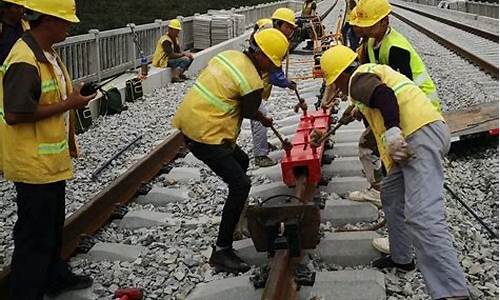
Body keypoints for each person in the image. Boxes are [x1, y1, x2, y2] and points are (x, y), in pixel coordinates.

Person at [320, 45, 470, 300]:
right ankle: (402, 258)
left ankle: (453, 293)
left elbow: (385, 96)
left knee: (422, 216)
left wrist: (392, 132)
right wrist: (354, 111)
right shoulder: (366, 75)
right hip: (421, 133)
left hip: (417, 136)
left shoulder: (358, 81)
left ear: (342, 75)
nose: (338, 89)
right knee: (391, 192)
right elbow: (373, 99)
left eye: (336, 83)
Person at [0, 0, 97, 299]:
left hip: (49, 160)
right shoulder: (24, 59)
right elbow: (16, 114)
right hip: (32, 163)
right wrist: (69, 103)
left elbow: (48, 97)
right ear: (49, 20)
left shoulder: (47, 55)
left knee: (52, 226)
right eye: (66, 21)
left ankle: (54, 276)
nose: (69, 26)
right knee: (34, 234)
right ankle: (24, 291)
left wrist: (73, 93)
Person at [172, 28, 289, 274]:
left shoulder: (230, 56)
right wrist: (261, 114)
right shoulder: (254, 82)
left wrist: (262, 118)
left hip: (189, 121)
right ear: (264, 57)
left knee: (242, 160)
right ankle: (222, 250)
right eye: (272, 63)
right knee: (241, 184)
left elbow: (238, 100)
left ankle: (237, 219)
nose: (272, 69)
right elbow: (248, 109)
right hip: (206, 135)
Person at [347, 0, 444, 253]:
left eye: (368, 26)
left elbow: (401, 94)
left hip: (418, 115)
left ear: (385, 21)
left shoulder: (396, 47)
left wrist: (391, 131)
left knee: (400, 174)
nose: (363, 31)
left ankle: (408, 240)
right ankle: (383, 195)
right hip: (395, 112)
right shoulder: (370, 43)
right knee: (379, 155)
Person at [250, 8, 298, 168]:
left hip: (259, 84)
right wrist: (287, 83)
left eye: (292, 28)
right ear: (278, 23)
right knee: (260, 117)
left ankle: (262, 144)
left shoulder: (273, 35)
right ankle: (260, 155)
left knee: (259, 116)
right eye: (288, 27)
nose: (290, 31)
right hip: (253, 85)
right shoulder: (270, 38)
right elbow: (274, 73)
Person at [0, 0, 29, 64]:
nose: (21, 11)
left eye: (22, 7)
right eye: (16, 7)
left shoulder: (25, 25)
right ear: (6, 9)